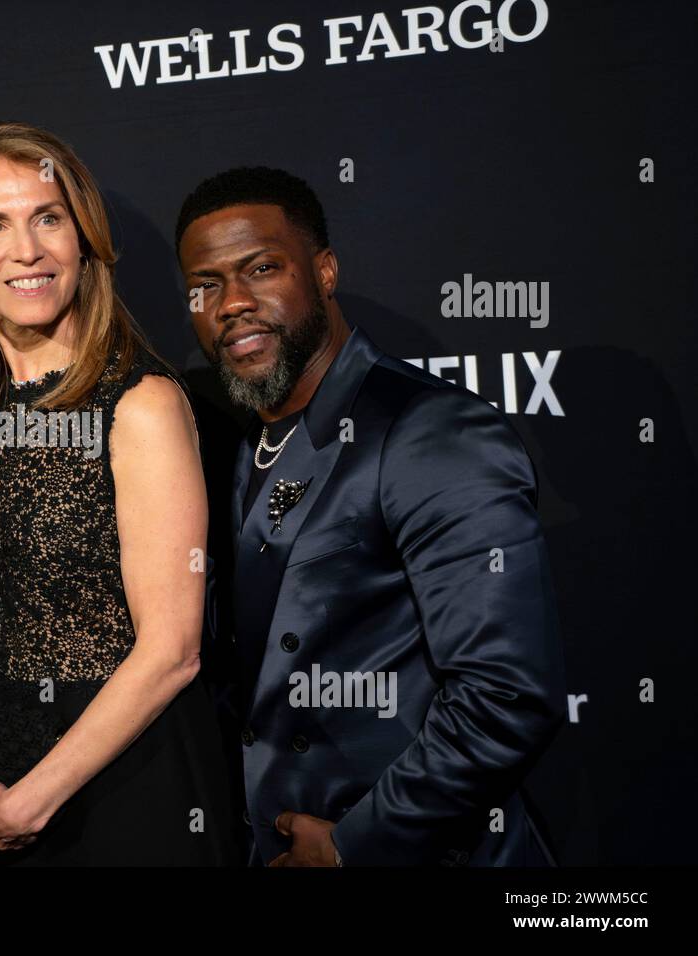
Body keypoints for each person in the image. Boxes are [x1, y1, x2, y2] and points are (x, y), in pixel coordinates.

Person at [175, 166, 565, 866]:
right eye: (205, 285)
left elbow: (505, 696)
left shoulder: (431, 433)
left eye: (261, 268)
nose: (231, 302)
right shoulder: (236, 450)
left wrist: (356, 846)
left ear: (324, 271)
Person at [0, 122, 236, 865]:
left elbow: (173, 651)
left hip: (130, 776)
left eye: (48, 218)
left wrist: (37, 794)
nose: (26, 250)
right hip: (10, 776)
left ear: (84, 238)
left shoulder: (142, 402)